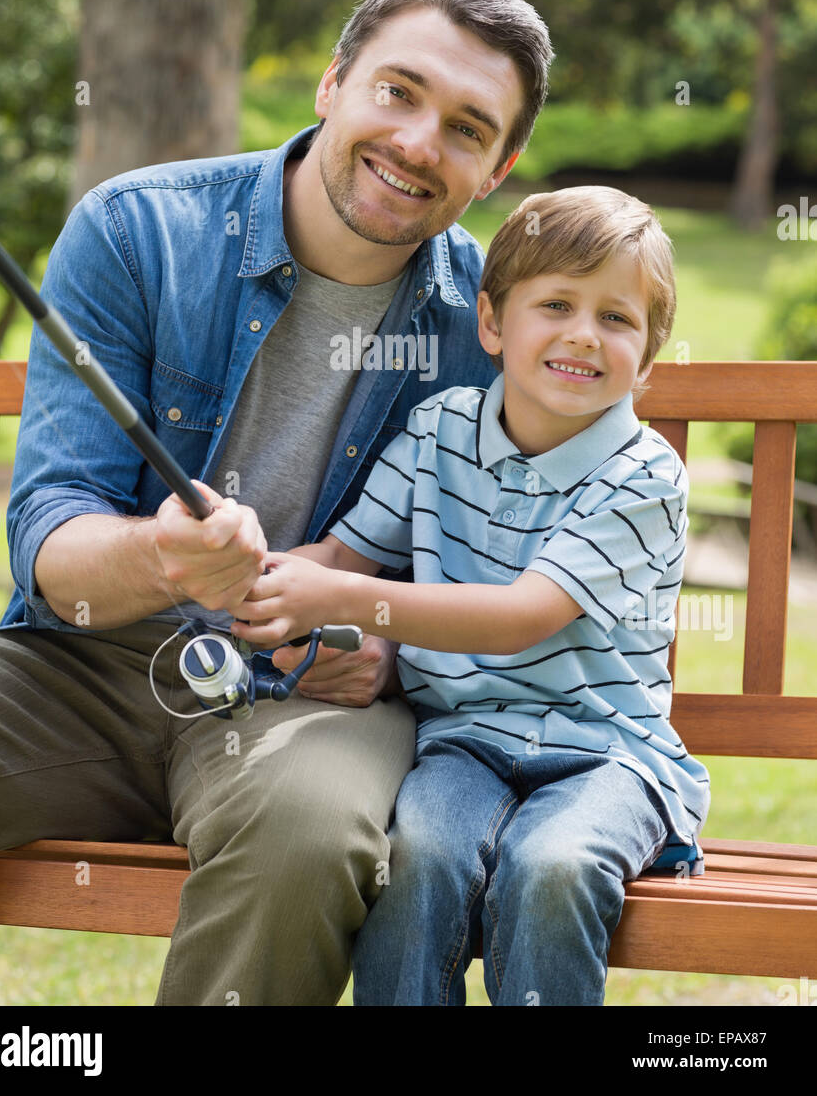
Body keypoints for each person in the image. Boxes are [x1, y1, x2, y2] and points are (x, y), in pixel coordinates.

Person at [0, 0, 555, 1006]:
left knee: (305, 836)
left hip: (301, 711)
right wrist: (158, 554)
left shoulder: (488, 334)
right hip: (86, 667)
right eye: (396, 91)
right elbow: (53, 551)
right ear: (331, 84)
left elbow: (522, 591)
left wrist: (385, 642)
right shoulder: (139, 233)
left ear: (497, 167)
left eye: (466, 128)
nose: (416, 143)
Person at [229, 185, 712, 1006]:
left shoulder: (645, 474)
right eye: (556, 303)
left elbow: (520, 618)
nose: (583, 335)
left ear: (650, 356)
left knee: (550, 865)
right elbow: (343, 553)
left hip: (607, 756)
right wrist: (256, 571)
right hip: (461, 743)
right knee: (415, 858)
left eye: (617, 319)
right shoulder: (440, 430)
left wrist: (334, 597)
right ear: (492, 323)